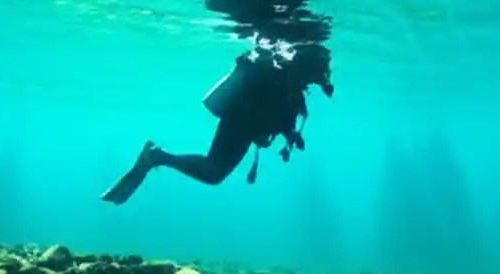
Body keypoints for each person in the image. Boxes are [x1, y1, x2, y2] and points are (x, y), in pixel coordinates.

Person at [101, 41, 333, 205]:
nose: (324, 75)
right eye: (323, 67)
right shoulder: (282, 79)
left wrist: (287, 133)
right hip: (239, 125)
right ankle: (155, 156)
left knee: (214, 173)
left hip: (243, 126)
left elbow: (278, 113)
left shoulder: (290, 81)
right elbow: (264, 110)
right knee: (213, 172)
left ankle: (156, 157)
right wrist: (275, 130)